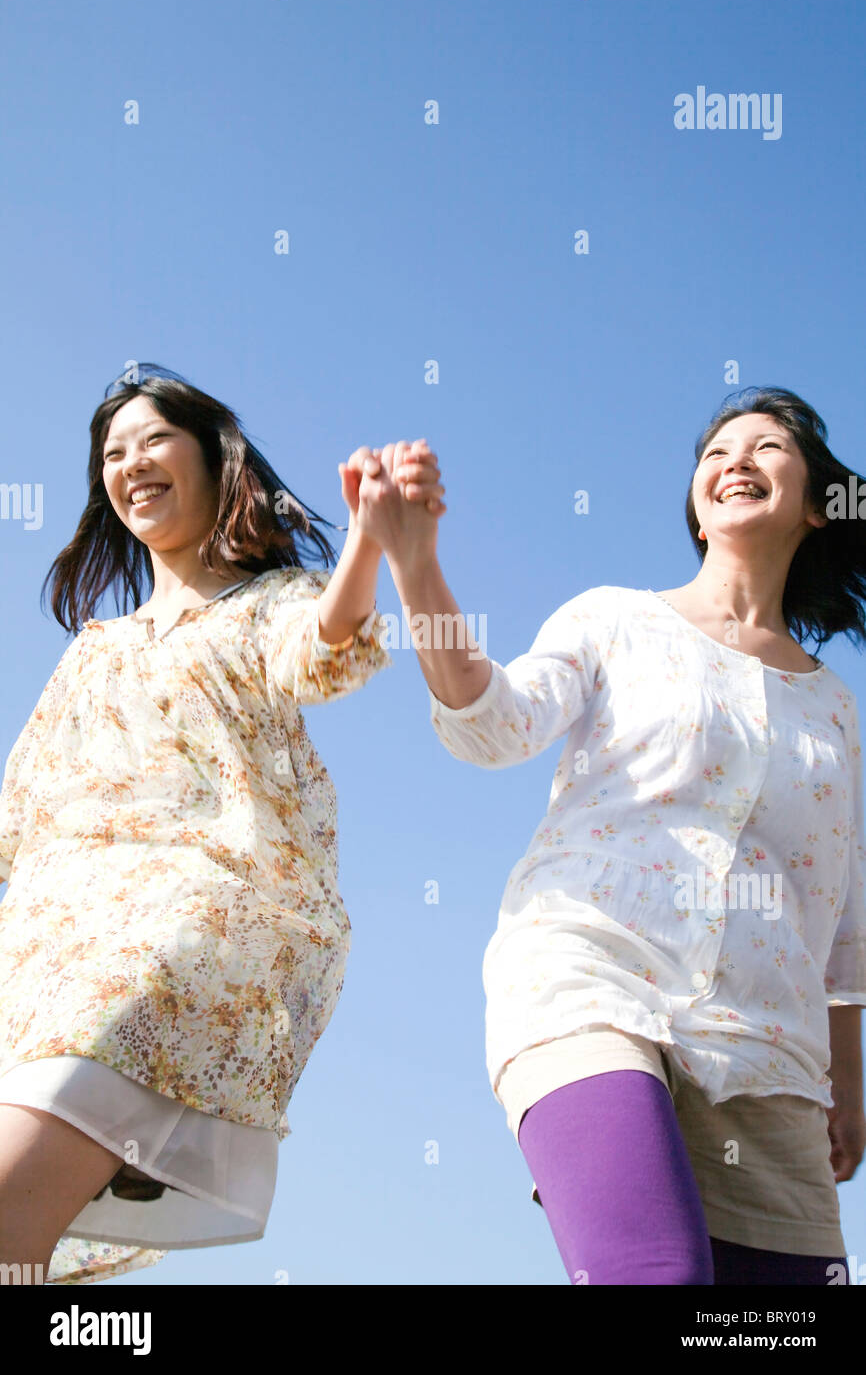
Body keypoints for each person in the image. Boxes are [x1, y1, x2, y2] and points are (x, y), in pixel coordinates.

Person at [357, 387, 866, 1285]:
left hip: (769, 1051)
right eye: (715, 451)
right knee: (660, 1278)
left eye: (767, 446)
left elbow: (842, 912)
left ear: (819, 506)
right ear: (697, 512)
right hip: (587, 980)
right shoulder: (615, 620)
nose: (734, 459)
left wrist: (847, 1085)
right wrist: (415, 568)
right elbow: (494, 725)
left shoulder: (833, 705)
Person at [0, 363, 444, 1285]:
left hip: (193, 923)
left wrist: (366, 540)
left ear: (214, 458)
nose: (132, 463)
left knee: (9, 1197)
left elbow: (323, 650)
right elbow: (20, 810)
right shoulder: (97, 649)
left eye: (154, 439)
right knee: (17, 1236)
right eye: (112, 454)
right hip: (50, 948)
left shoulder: (270, 604)